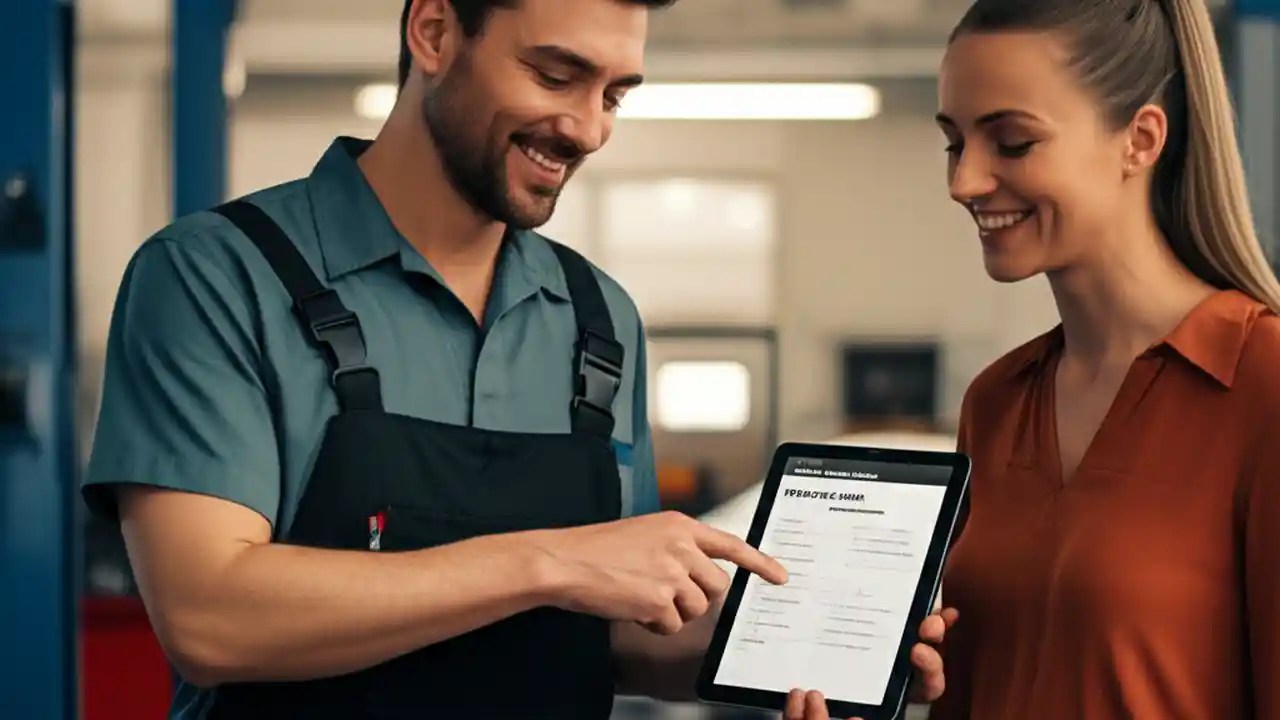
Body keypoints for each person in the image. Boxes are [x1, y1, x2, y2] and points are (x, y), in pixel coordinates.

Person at [82, 1, 951, 718]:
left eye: (615, 94)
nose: (589, 128)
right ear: (434, 32)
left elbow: (613, 633)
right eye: (556, 75)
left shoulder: (599, 317)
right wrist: (552, 562)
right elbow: (209, 618)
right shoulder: (215, 276)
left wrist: (808, 653)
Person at [929, 0, 1280, 718]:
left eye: (1013, 143)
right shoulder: (996, 401)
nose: (964, 182)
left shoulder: (1263, 385)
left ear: (1140, 140)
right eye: (954, 144)